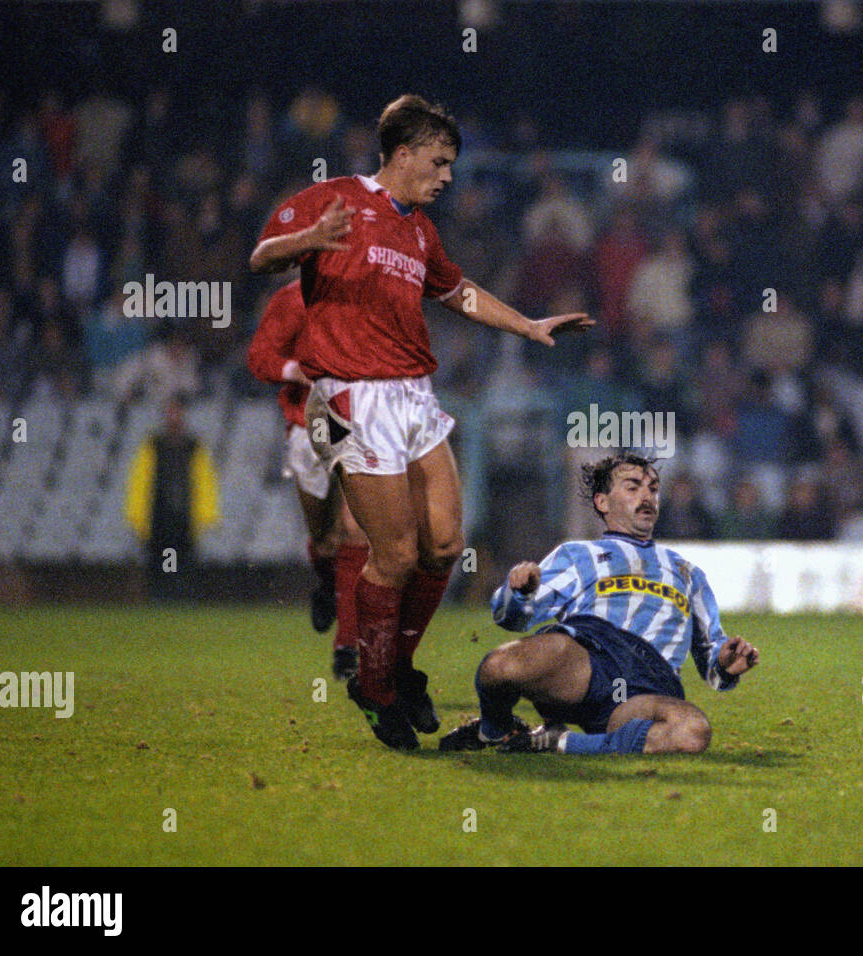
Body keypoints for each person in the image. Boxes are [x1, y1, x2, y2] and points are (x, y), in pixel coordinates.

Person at [248, 94, 592, 750]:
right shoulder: (334, 199)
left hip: (414, 395)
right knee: (394, 552)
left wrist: (525, 323)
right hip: (350, 398)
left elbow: (456, 291)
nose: (447, 176)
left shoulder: (420, 230)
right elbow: (262, 256)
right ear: (402, 153)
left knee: (443, 545)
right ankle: (374, 689)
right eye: (439, 162)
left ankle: (398, 666)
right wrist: (309, 241)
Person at [439, 453, 760, 755]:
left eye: (653, 488)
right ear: (602, 501)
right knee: (499, 667)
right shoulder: (578, 555)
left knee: (692, 731)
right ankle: (495, 730)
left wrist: (726, 662)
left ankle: (559, 743)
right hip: (587, 660)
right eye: (633, 487)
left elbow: (713, 669)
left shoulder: (688, 573)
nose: (647, 497)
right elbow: (509, 618)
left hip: (647, 686)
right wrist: (519, 591)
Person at [246, 279, 370, 680]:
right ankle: (326, 584)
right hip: (308, 428)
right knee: (324, 539)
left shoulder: (376, 293)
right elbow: (259, 356)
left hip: (364, 424)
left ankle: (346, 647)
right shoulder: (293, 298)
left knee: (354, 532)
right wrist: (292, 369)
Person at [124, 394, 219, 600]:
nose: (174, 416)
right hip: (160, 519)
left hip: (185, 520)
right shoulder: (153, 446)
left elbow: (204, 484)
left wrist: (204, 517)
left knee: (182, 563)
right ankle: (164, 598)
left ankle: (179, 599)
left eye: (177, 412)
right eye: (170, 412)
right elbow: (140, 483)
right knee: (165, 563)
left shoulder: (194, 447)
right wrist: (138, 518)